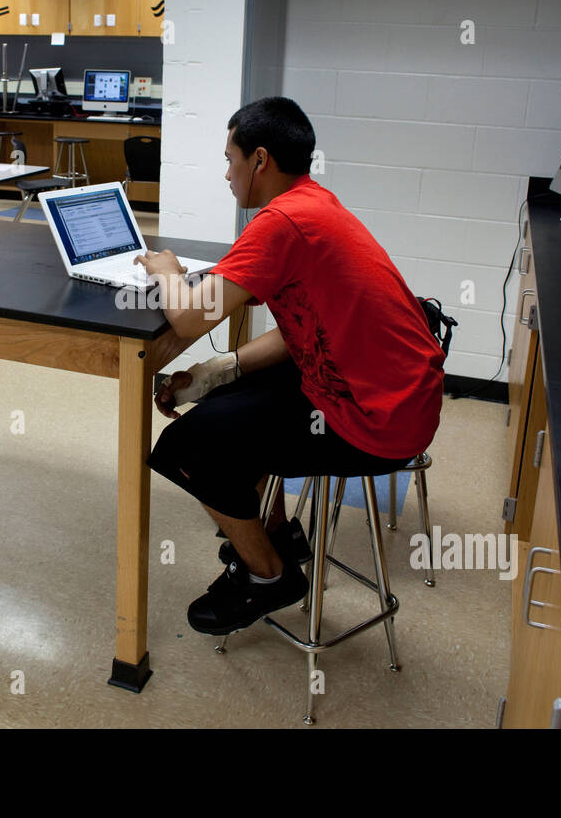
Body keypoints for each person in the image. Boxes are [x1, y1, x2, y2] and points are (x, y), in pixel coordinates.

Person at [138, 97, 445, 636]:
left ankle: (269, 576)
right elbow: (305, 326)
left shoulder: (282, 222)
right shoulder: (315, 204)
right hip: (388, 394)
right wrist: (219, 370)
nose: (227, 173)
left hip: (374, 420)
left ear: (259, 160)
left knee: (187, 447)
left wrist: (167, 269)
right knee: (224, 402)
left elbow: (187, 317)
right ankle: (280, 539)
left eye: (230, 158)